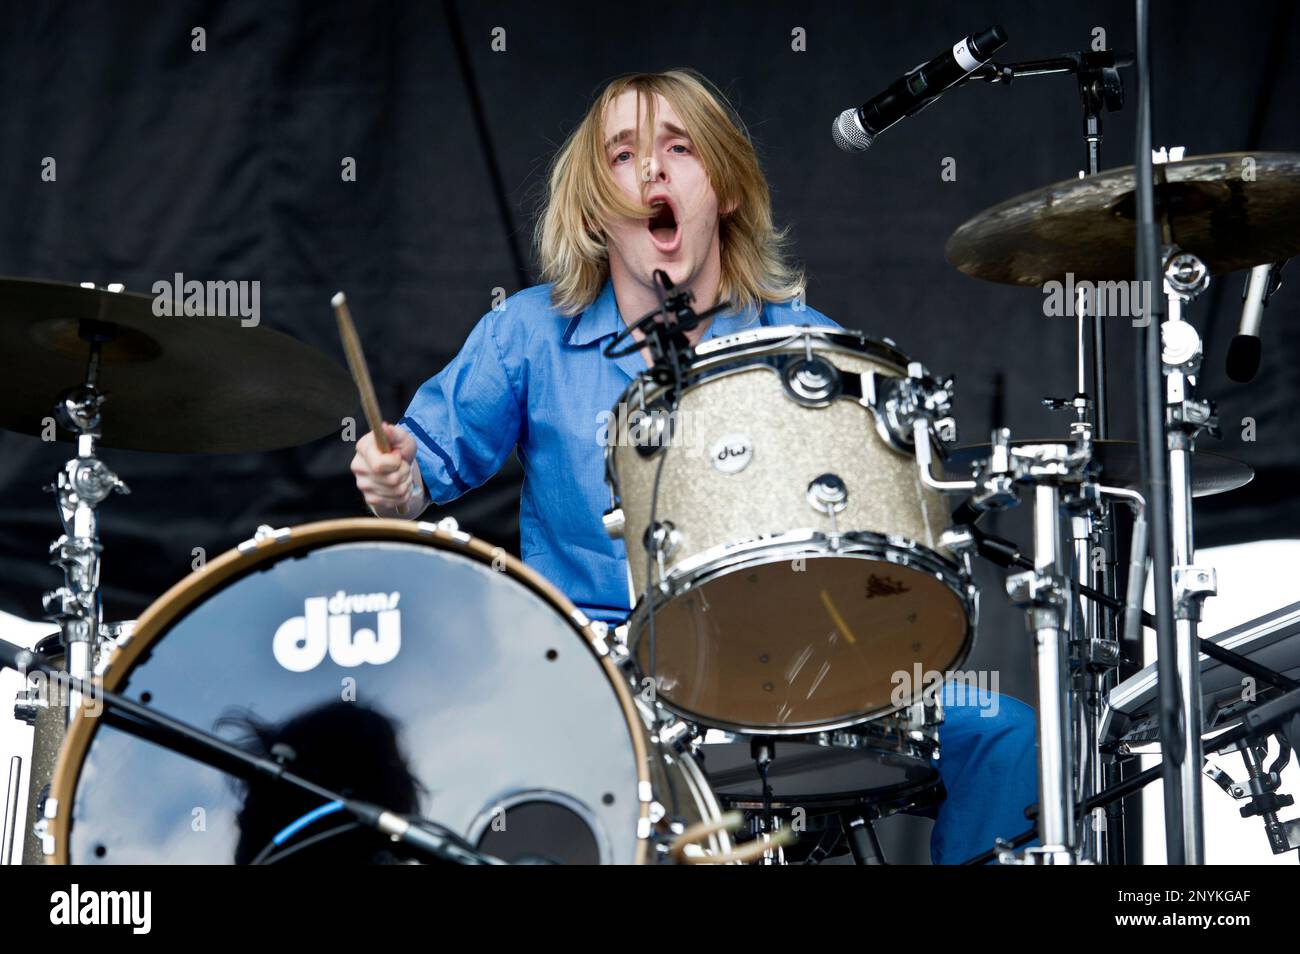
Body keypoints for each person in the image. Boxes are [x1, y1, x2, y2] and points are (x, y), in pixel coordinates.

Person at [350, 69, 1037, 864]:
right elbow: (418, 470)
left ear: (728, 190)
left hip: (797, 677)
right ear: (594, 207)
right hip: (594, 682)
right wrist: (395, 479)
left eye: (678, 149)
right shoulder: (528, 336)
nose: (651, 171)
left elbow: (878, 539)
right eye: (622, 156)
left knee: (1004, 733)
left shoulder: (808, 344)